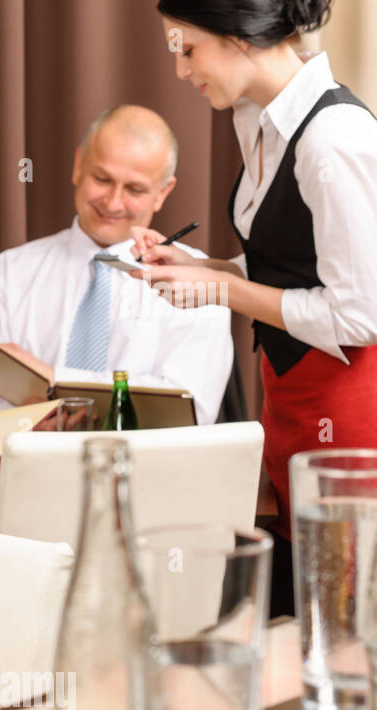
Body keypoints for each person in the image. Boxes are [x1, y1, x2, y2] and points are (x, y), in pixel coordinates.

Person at [136, 0, 377, 613]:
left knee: (347, 621)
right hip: (292, 399)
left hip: (351, 414)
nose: (181, 71)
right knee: (311, 608)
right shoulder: (257, 118)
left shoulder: (334, 139)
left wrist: (223, 290)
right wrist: (207, 268)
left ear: (240, 36)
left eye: (187, 50)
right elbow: (298, 264)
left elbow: (360, 314)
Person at [0, 105, 234, 427]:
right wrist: (23, 423)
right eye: (102, 179)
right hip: (25, 468)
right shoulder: (5, 274)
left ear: (162, 193)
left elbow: (191, 408)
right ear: (78, 167)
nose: (113, 203)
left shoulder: (198, 283)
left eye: (135, 189)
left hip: (149, 474)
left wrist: (53, 378)